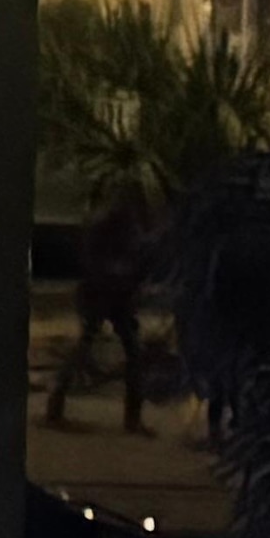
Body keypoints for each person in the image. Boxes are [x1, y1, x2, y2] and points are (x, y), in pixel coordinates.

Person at [54, 178, 160, 433]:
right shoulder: (105, 225)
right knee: (85, 347)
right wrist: (117, 274)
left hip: (118, 296)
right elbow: (92, 261)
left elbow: (138, 260)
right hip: (100, 294)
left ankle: (132, 418)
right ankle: (56, 404)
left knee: (133, 353)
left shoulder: (131, 227)